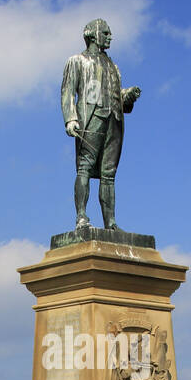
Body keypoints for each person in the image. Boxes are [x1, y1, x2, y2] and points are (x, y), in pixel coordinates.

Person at [60, 18, 141, 230]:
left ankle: (110, 223)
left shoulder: (114, 66)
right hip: (91, 117)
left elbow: (113, 94)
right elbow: (68, 91)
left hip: (113, 118)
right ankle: (81, 217)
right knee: (84, 168)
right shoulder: (77, 61)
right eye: (106, 33)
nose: (110, 37)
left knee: (109, 174)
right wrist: (71, 118)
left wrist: (127, 97)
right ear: (93, 35)